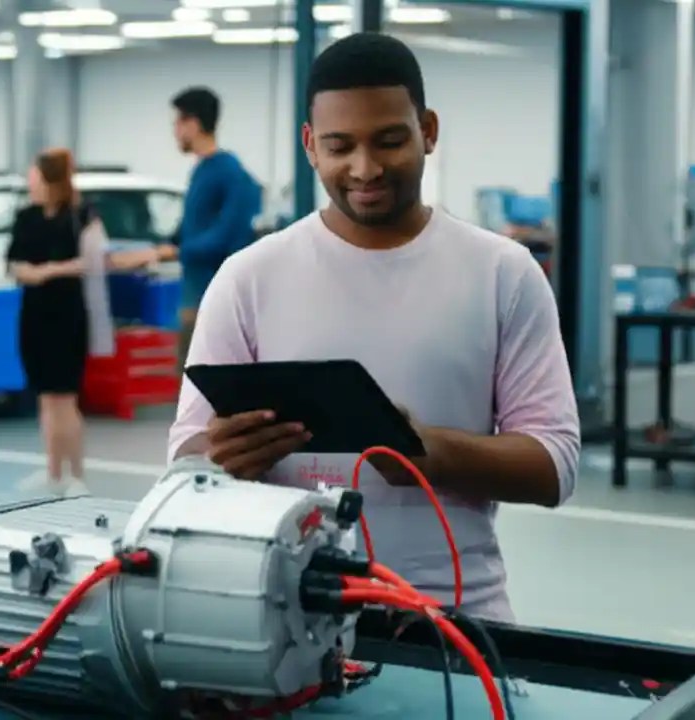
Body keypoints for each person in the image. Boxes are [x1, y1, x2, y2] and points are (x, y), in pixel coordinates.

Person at [166, 33, 580, 622]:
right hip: (284, 618)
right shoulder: (249, 277)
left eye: (390, 141)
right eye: (340, 146)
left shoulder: (502, 273)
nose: (365, 168)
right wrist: (222, 456)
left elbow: (554, 463)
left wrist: (426, 450)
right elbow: (186, 454)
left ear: (428, 130)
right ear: (310, 145)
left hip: (453, 619)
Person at [8, 149, 115, 498]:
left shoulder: (81, 217)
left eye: (35, 177)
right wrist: (49, 270)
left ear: (50, 180)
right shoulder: (26, 217)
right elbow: (16, 266)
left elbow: (91, 262)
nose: (30, 184)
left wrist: (44, 271)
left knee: (65, 398)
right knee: (45, 397)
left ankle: (77, 473)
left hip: (68, 316)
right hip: (34, 315)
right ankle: (53, 470)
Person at [151, 87, 261, 367]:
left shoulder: (229, 172)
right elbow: (191, 226)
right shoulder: (201, 170)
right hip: (193, 294)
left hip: (215, 299)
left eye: (177, 123)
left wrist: (176, 253)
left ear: (193, 123)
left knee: (206, 386)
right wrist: (163, 247)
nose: (174, 131)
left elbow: (229, 236)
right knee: (188, 382)